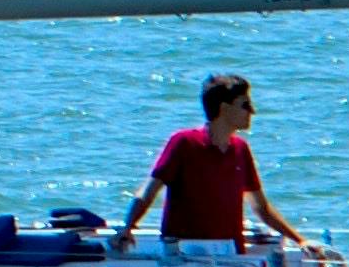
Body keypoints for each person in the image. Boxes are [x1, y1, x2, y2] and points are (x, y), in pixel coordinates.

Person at [123, 74, 299, 249]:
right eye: (245, 105)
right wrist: (127, 228)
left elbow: (261, 208)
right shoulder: (184, 142)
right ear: (224, 108)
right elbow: (148, 192)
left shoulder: (241, 149)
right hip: (185, 254)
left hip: (230, 254)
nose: (252, 111)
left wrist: (300, 241)